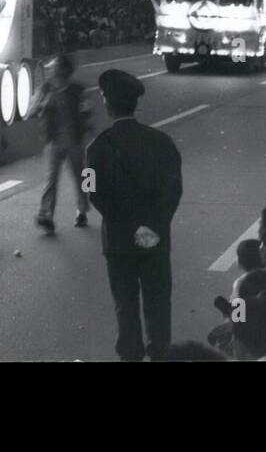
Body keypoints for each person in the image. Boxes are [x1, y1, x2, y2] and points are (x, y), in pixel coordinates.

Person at [85, 68, 183, 361]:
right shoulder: (162, 143)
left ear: (107, 103)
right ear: (134, 104)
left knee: (125, 304)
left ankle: (130, 355)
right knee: (158, 302)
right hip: (155, 240)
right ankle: (160, 354)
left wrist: (127, 228)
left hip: (118, 241)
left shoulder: (96, 148)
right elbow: (174, 190)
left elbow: (92, 192)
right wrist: (152, 227)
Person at [31, 54, 92, 231]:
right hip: (53, 141)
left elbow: (87, 111)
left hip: (75, 141)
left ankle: (82, 211)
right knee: (51, 179)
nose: (51, 69)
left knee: (81, 177)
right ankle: (46, 214)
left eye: (55, 66)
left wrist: (84, 115)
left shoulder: (77, 90)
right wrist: (43, 105)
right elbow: (31, 110)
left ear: (64, 70)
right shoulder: (45, 89)